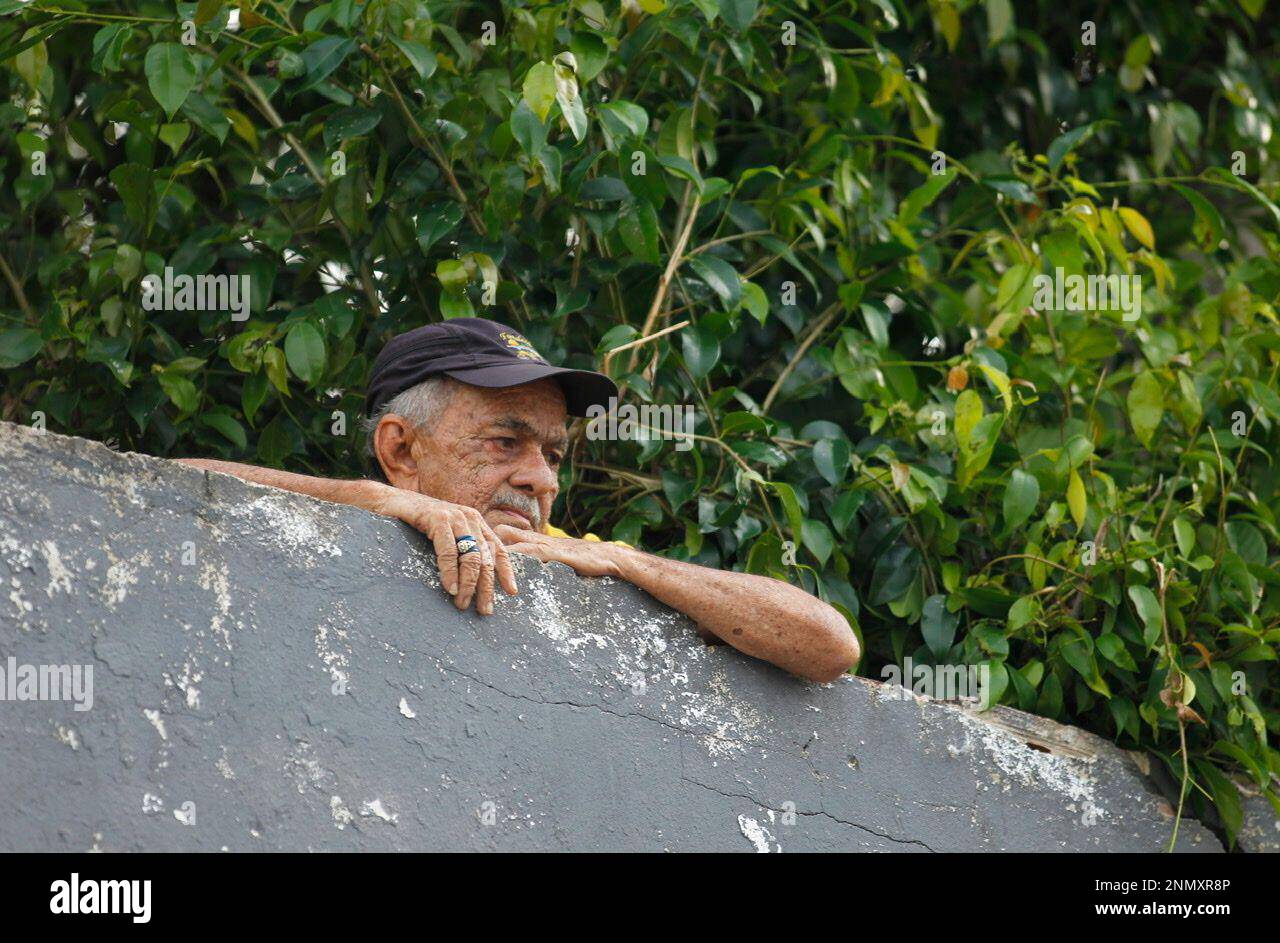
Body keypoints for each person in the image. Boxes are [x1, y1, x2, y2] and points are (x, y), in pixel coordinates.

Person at [180, 318, 859, 683]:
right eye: (506, 441)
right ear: (402, 451)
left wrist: (627, 564)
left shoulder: (578, 559)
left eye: (555, 453)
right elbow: (166, 481)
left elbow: (830, 645)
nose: (544, 478)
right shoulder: (345, 516)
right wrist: (378, 503)